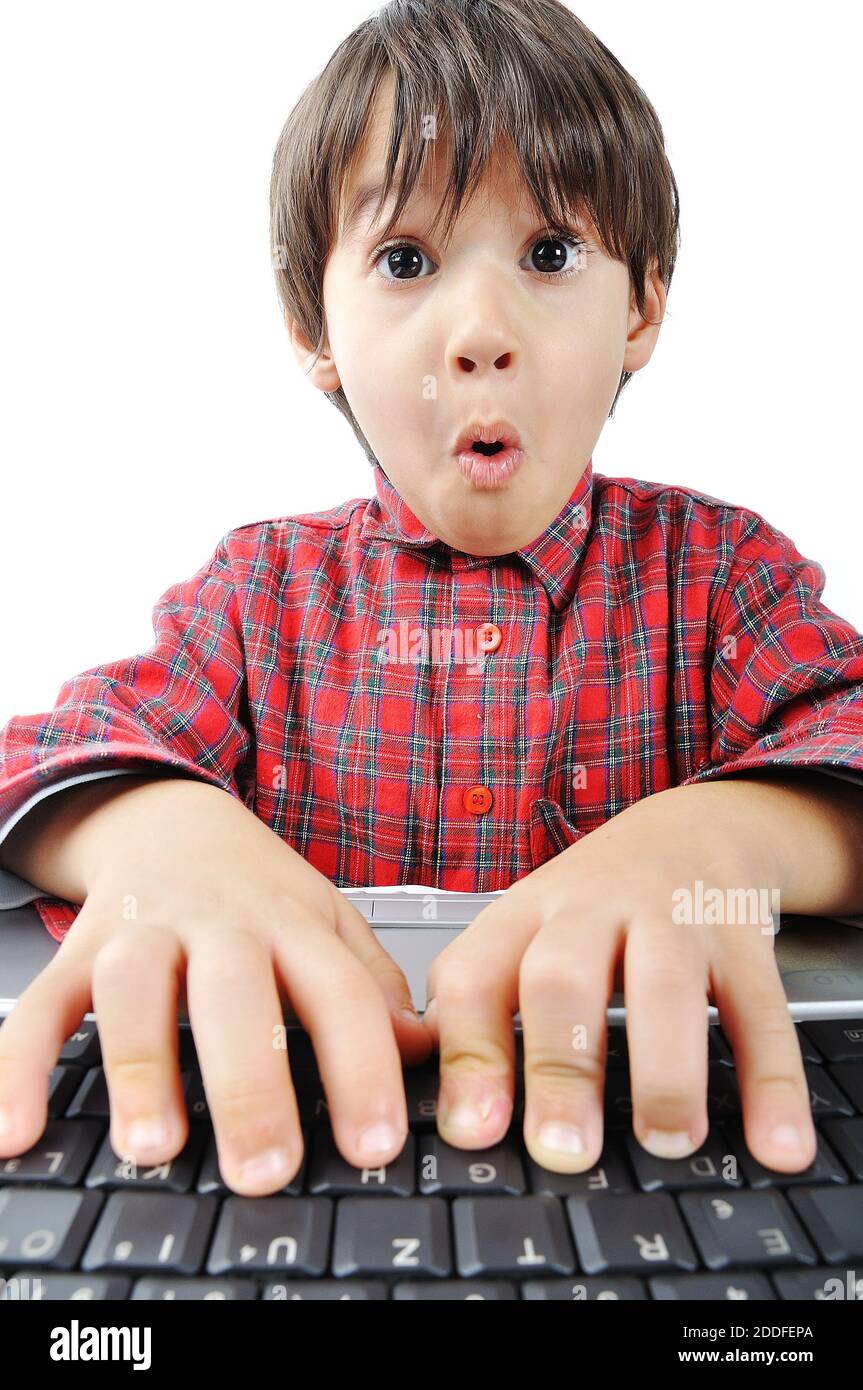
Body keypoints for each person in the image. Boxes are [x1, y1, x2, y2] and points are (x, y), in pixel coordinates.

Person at [2, 0, 862, 1199]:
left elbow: (847, 723)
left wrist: (714, 842)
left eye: (549, 253)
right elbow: (53, 758)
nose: (479, 334)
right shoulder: (259, 593)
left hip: (648, 1147)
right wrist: (159, 837)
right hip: (306, 1156)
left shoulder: (717, 575)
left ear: (642, 306)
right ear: (314, 325)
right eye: (406, 262)